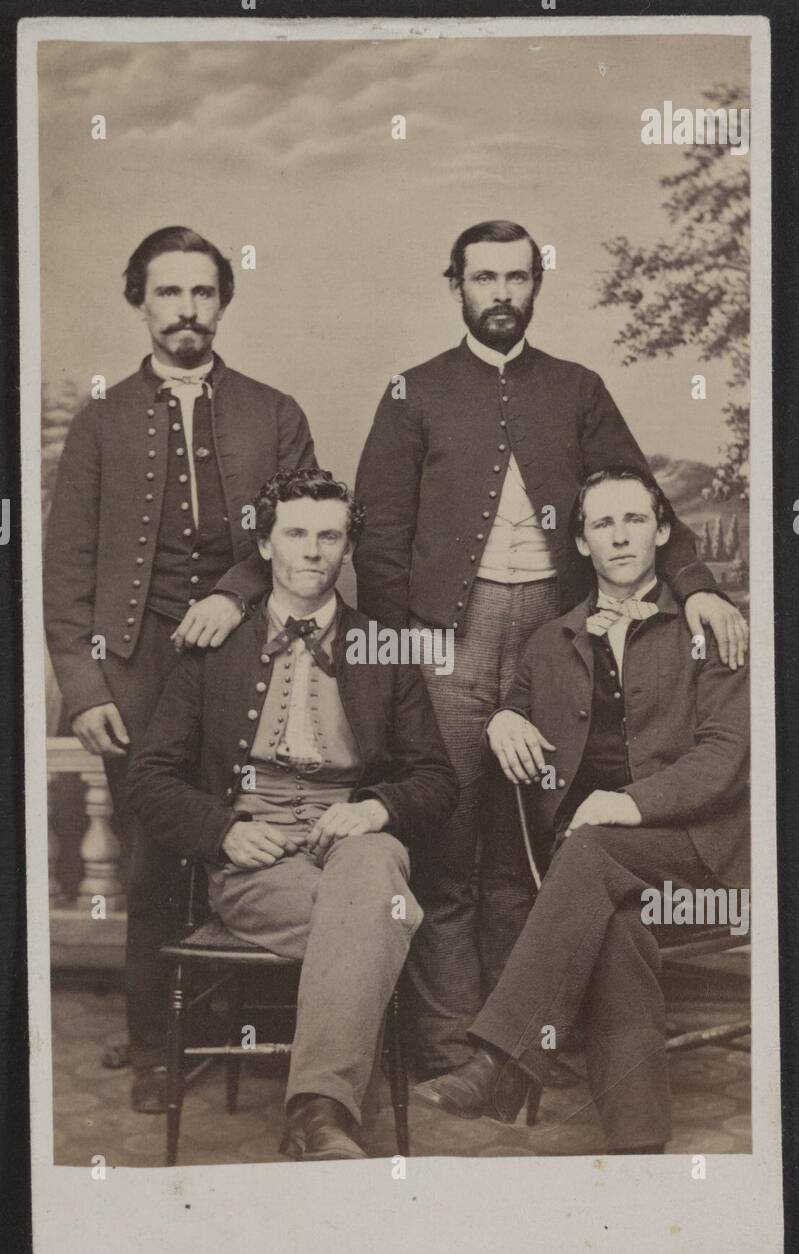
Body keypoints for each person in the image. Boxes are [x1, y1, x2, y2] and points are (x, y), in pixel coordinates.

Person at [353, 218, 748, 1077]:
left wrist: (703, 587)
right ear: (454, 283)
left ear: (537, 285)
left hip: (555, 638)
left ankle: (529, 1038)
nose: (501, 293)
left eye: (517, 278)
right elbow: (378, 533)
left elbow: (642, 506)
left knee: (536, 841)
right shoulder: (411, 391)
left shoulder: (576, 387)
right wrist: (410, 648)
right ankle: (451, 1042)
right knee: (451, 840)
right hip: (446, 640)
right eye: (483, 278)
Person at [44, 226, 315, 1110]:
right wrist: (84, 689)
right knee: (157, 855)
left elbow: (306, 525)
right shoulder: (100, 422)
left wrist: (237, 593)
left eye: (202, 293)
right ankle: (157, 1045)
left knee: (253, 832)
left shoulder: (274, 413)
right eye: (168, 293)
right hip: (134, 668)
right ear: (142, 302)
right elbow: (65, 572)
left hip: (251, 654)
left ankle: (238, 1023)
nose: (186, 311)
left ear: (222, 303)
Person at [414, 466, 749, 1154]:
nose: (620, 536)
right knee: (614, 921)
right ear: (579, 543)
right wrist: (504, 717)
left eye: (634, 520)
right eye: (603, 523)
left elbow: (722, 762)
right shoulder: (549, 641)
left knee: (590, 850)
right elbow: (514, 701)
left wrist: (625, 804)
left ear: (660, 531)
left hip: (704, 858)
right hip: (603, 875)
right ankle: (637, 1147)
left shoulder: (708, 626)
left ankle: (498, 1059)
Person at [125, 468, 458, 1160]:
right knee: (377, 917)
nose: (312, 550)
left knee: (371, 870)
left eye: (329, 536)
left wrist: (376, 808)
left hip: (354, 846)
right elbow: (149, 778)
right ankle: (323, 1114)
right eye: (296, 533)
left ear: (347, 549)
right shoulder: (213, 649)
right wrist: (223, 831)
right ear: (266, 545)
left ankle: (317, 1114)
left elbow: (436, 779)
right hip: (259, 860)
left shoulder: (385, 650)